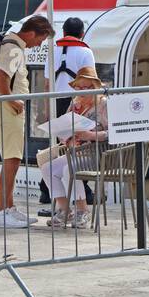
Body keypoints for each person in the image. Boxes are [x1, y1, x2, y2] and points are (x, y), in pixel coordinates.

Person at [0, 14, 55, 228]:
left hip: (3, 107)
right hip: (5, 108)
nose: (38, 45)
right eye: (40, 40)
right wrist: (12, 100)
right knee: (12, 159)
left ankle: (8, 208)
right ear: (32, 33)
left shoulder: (11, 45)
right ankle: (2, 212)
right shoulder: (15, 48)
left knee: (12, 159)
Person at [38, 66, 108, 228]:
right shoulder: (74, 103)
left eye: (87, 87)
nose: (82, 91)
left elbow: (113, 133)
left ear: (96, 87)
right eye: (79, 87)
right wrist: (68, 140)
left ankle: (82, 211)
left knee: (68, 169)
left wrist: (91, 136)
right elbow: (65, 130)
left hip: (98, 154)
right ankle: (64, 211)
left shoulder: (104, 105)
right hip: (76, 153)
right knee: (48, 168)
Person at [38, 16, 97, 206]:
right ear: (82, 34)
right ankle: (82, 189)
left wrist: (47, 110)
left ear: (63, 33)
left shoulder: (52, 51)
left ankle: (47, 189)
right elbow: (89, 81)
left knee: (59, 146)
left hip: (56, 102)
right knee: (78, 145)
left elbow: (47, 84)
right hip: (77, 102)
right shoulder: (85, 52)